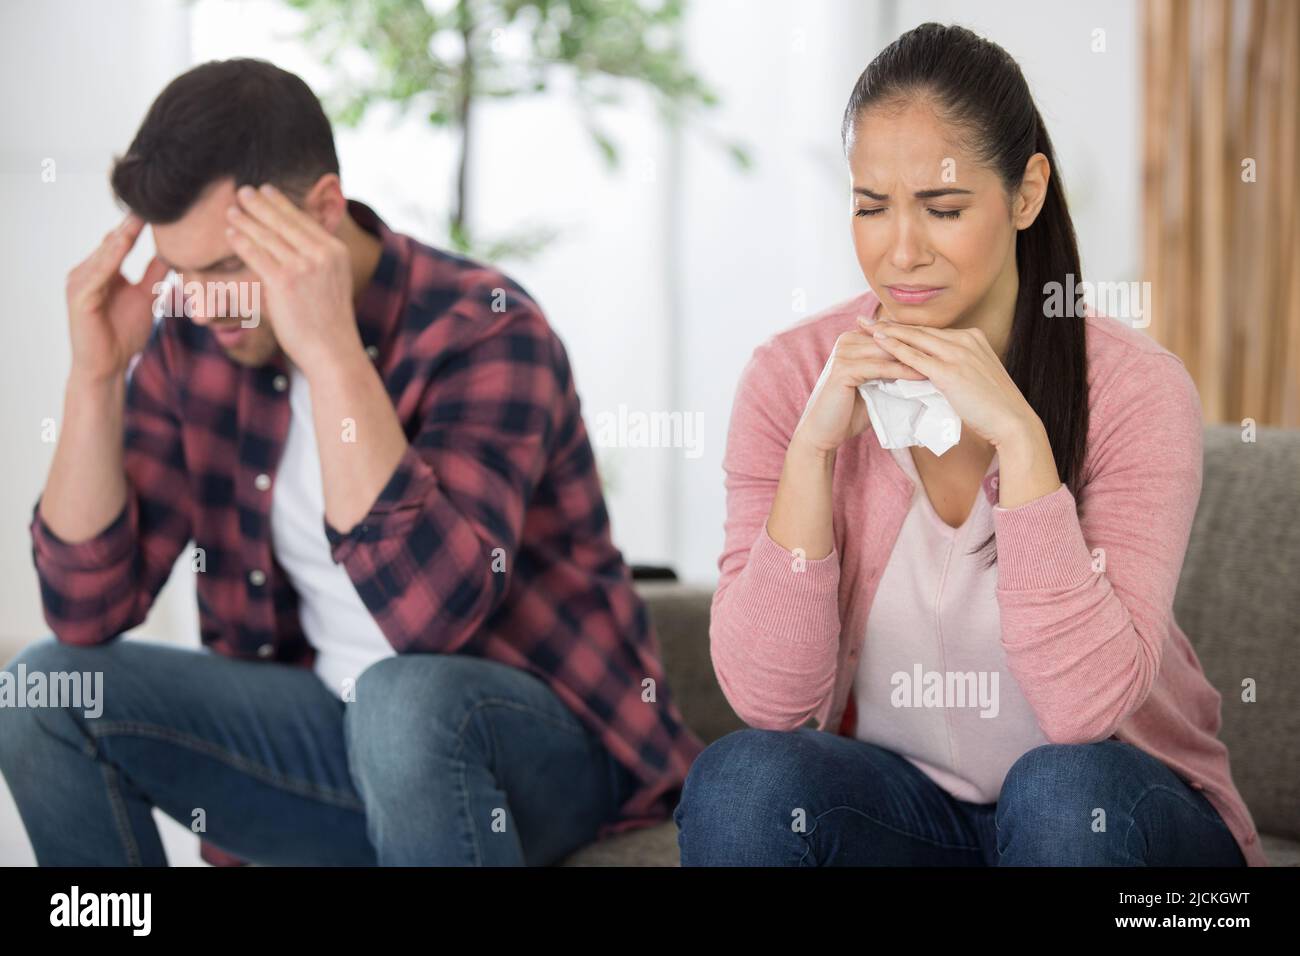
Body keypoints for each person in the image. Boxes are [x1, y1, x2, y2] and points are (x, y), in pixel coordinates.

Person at [0, 57, 703, 866]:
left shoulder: (486, 328)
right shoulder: (196, 339)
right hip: (338, 747)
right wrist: (95, 376)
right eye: (183, 276)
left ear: (323, 213)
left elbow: (431, 619)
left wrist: (331, 348)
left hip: (533, 754)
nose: (203, 306)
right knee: (43, 689)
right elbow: (86, 610)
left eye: (229, 269)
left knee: (398, 703)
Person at [674, 22, 1266, 867]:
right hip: (908, 816)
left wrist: (1023, 444)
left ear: (1025, 195)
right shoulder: (793, 376)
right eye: (871, 207)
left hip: (1121, 815)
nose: (901, 250)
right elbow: (771, 703)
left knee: (1060, 794)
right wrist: (810, 459)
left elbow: (1082, 715)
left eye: (943, 209)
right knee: (742, 782)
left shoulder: (1135, 389)